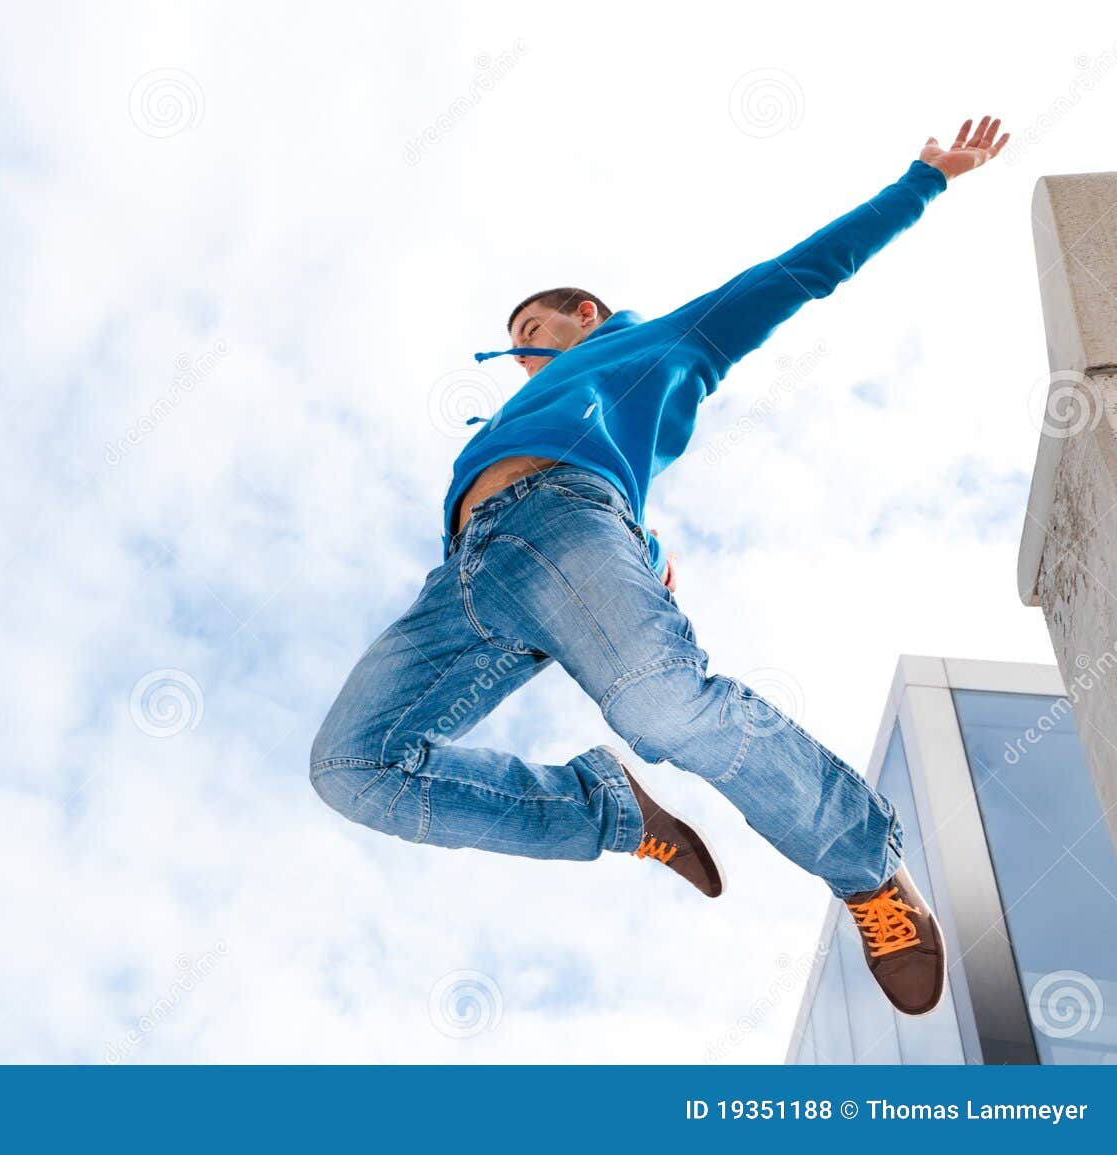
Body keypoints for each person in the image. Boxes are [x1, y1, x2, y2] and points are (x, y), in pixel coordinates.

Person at [310, 117, 1010, 1017]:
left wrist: (923, 181)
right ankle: (607, 808)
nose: (520, 353)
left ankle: (867, 869)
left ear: (585, 315)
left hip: (566, 521)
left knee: (663, 703)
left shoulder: (661, 342)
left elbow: (798, 272)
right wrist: (645, 548)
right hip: (467, 578)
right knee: (352, 766)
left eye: (532, 330)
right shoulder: (528, 407)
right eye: (512, 344)